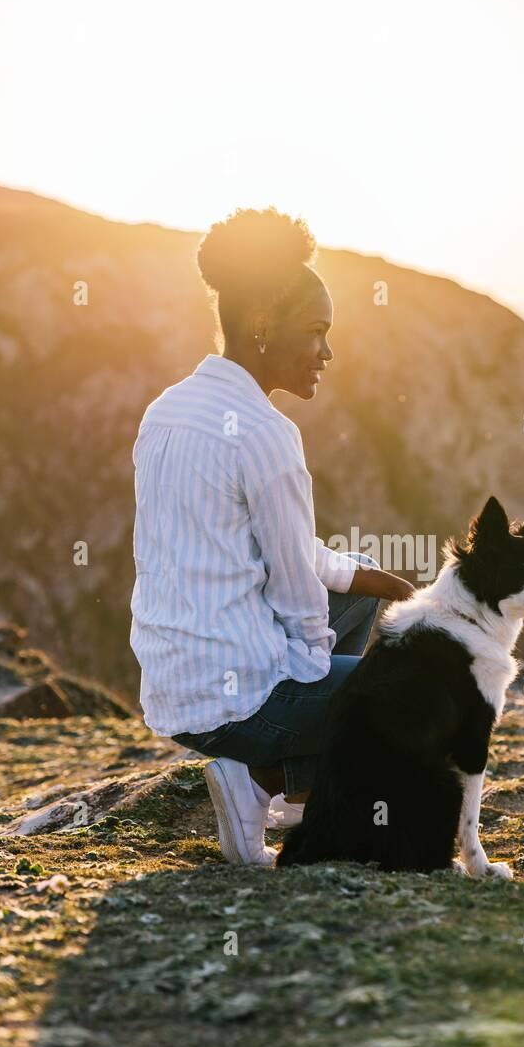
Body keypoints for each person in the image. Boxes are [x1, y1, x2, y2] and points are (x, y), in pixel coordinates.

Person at [129, 206, 413, 865]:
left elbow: (238, 544)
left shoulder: (168, 408)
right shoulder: (265, 435)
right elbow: (295, 600)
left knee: (358, 577)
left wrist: (357, 576)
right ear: (263, 326)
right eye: (315, 332)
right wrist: (325, 686)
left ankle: (278, 779)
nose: (326, 352)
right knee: (405, 684)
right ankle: (270, 777)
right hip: (232, 700)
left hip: (173, 680)